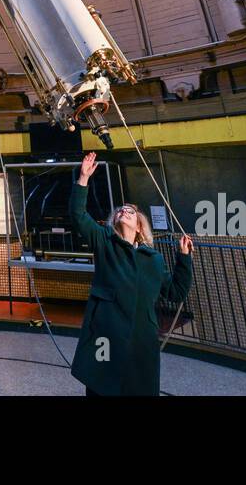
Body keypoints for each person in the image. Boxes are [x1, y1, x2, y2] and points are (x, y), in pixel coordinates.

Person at [69, 150, 193, 396]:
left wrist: (185, 259)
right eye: (120, 210)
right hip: (105, 336)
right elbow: (78, 216)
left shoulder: (154, 260)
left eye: (131, 211)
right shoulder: (105, 242)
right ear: (114, 221)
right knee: (99, 383)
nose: (124, 211)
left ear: (139, 227)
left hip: (141, 340)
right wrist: (83, 179)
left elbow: (176, 292)